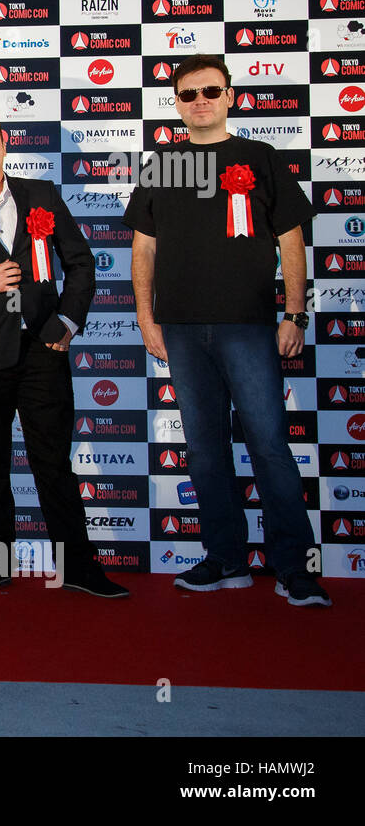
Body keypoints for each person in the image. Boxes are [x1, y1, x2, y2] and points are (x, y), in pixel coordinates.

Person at [126, 53, 328, 607]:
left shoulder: (260, 157)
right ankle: (226, 559)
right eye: (188, 94)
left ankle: (295, 568)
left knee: (268, 445)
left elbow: (291, 241)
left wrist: (293, 314)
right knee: (206, 452)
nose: (200, 102)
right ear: (177, 103)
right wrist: (146, 318)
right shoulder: (161, 163)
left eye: (210, 91)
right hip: (183, 330)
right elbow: (144, 247)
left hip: (249, 326)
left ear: (230, 95)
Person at [0, 107, 128, 598]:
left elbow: (80, 264)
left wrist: (68, 321)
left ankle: (77, 566)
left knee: (53, 463)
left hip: (43, 350)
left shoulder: (42, 195)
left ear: (5, 143)